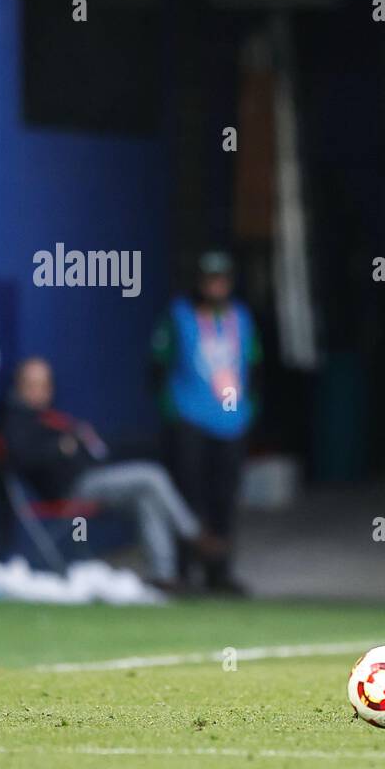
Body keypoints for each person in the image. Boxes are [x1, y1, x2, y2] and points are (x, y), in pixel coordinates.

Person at [3, 357, 221, 591]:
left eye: (44, 385)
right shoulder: (17, 419)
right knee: (151, 476)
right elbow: (20, 458)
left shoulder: (52, 418)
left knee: (146, 498)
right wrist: (59, 448)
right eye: (32, 385)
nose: (40, 391)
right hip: (70, 491)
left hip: (94, 480)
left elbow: (100, 452)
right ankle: (193, 534)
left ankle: (163, 575)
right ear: (20, 386)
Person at [151, 249, 260, 595]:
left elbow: (255, 366)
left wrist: (248, 410)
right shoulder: (179, 315)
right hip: (190, 420)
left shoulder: (240, 317)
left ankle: (219, 572)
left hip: (231, 422)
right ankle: (182, 571)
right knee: (186, 495)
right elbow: (156, 366)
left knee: (223, 499)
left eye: (222, 278)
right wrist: (173, 414)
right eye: (209, 278)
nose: (216, 284)